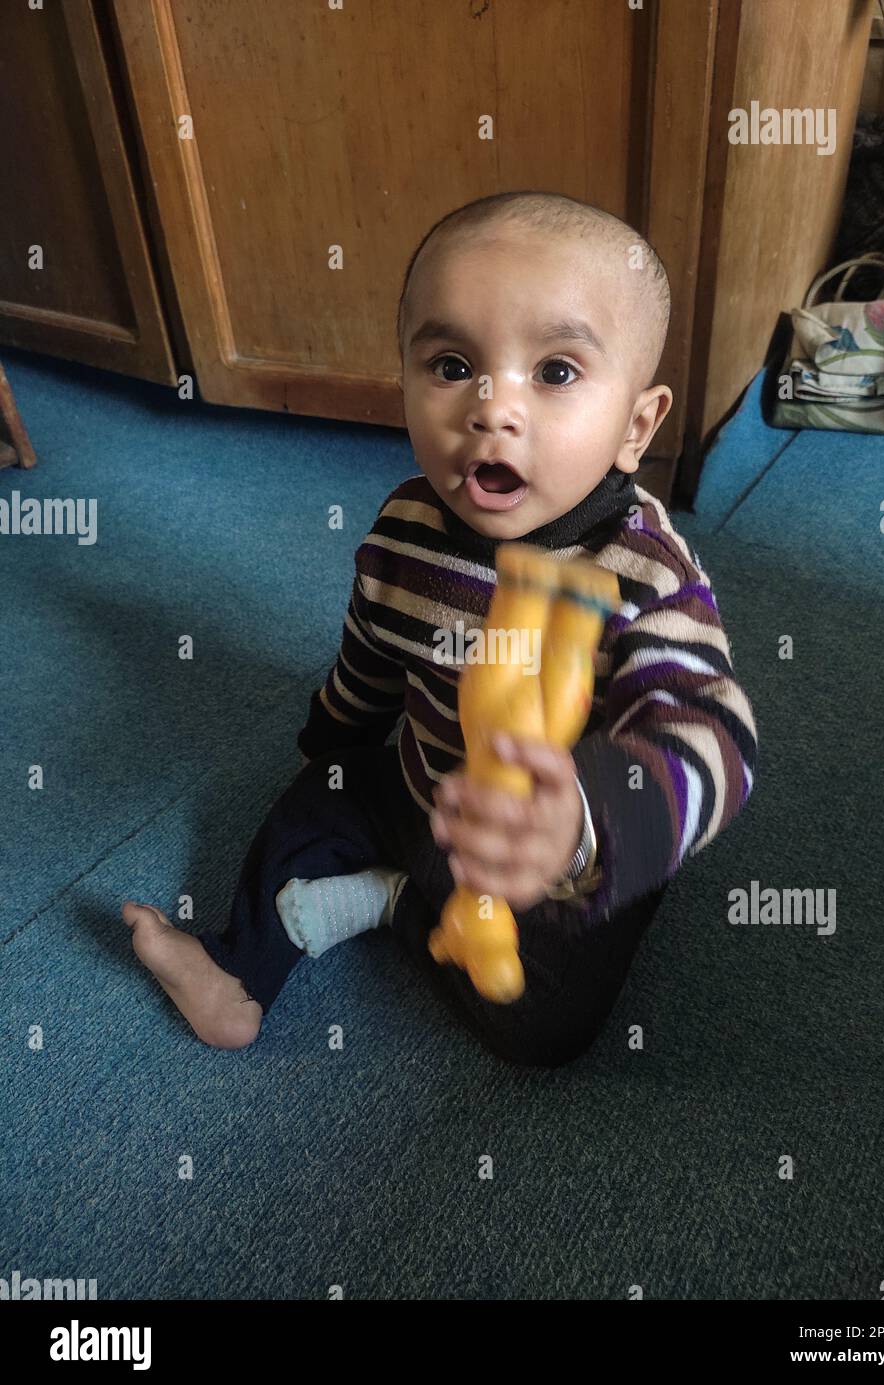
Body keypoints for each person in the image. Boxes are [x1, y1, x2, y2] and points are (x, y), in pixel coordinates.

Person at [122, 191, 758, 1068]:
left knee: (544, 1027)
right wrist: (332, 739)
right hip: (421, 790)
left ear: (635, 426)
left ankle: (391, 904)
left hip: (549, 861)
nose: (492, 407)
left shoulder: (643, 572)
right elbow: (371, 655)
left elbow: (714, 732)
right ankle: (239, 967)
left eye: (556, 372)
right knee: (312, 802)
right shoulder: (404, 530)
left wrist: (583, 819)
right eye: (454, 365)